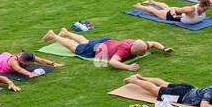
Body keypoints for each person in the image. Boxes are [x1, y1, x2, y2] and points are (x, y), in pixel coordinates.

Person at [42, 30, 171, 71]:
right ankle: (53, 35)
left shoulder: (137, 44)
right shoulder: (124, 51)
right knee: (75, 48)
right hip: (98, 49)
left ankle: (66, 32)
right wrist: (129, 67)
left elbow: (153, 43)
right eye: (143, 52)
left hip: (105, 41)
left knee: (85, 41)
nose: (145, 52)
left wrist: (164, 48)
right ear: (136, 52)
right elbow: (113, 62)